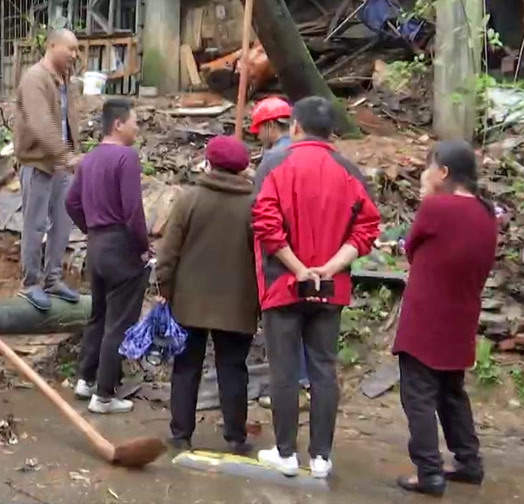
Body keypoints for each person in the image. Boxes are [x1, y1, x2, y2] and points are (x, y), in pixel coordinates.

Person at [251, 96, 381, 478]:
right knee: (324, 368)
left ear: (295, 127)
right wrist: (330, 267)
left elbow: (264, 224)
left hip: (282, 284)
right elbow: (368, 228)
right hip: (330, 287)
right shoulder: (349, 169)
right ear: (331, 131)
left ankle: (286, 453)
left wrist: (299, 268)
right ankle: (321, 457)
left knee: (284, 369)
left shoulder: (274, 163)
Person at [394, 141, 496, 496]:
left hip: (426, 317)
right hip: (461, 316)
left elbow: (411, 249)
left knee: (417, 394)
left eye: (428, 166)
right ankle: (468, 461)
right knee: (451, 392)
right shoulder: (486, 213)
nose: (424, 173)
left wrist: (426, 199)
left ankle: (429, 471)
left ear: (444, 172)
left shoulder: (437, 208)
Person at [155, 135, 259, 454]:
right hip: (238, 303)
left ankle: (181, 434)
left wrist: (164, 289)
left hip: (190, 301)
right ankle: (235, 437)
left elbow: (169, 252)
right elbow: (263, 255)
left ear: (209, 163)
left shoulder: (190, 199)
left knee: (187, 366)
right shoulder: (255, 203)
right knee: (233, 368)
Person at [66, 98, 148, 414]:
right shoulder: (125, 157)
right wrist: (143, 247)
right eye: (134, 121)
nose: (137, 127)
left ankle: (85, 379)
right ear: (118, 124)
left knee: (98, 315)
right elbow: (133, 211)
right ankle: (104, 394)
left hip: (96, 246)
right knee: (120, 322)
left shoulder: (88, 160)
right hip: (120, 247)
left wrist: (91, 229)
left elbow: (71, 203)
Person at [12, 29, 82, 311]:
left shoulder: (65, 81)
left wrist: (70, 155)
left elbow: (67, 121)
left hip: (62, 165)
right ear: (52, 45)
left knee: (63, 224)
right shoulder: (35, 79)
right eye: (71, 49)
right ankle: (31, 282)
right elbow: (41, 123)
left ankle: (53, 278)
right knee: (35, 223)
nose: (74, 55)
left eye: (77, 50)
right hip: (39, 162)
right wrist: (67, 155)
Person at [249, 96, 311, 396]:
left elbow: (259, 210)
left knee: (285, 324)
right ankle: (307, 378)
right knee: (309, 322)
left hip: (280, 253)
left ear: (272, 126)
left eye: (260, 129)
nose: (258, 136)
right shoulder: (309, 153)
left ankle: (290, 385)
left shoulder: (273, 158)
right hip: (313, 250)